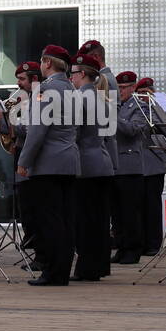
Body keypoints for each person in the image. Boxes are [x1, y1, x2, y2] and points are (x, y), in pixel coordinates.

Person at [17, 44, 79, 285]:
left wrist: (24, 162)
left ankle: (52, 272)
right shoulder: (72, 90)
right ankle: (61, 271)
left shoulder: (45, 90)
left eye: (42, 62)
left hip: (48, 163)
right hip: (69, 160)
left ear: (47, 63)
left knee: (50, 220)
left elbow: (36, 131)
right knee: (65, 220)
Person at [0, 61, 43, 270]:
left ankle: (40, 251)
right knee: (26, 206)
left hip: (33, 158)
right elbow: (10, 130)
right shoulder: (26, 99)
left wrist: (9, 122)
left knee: (35, 207)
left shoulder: (40, 98)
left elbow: (30, 129)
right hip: (22, 153)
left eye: (22, 79)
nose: (18, 84)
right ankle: (32, 245)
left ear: (34, 78)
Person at [70, 52, 116, 281]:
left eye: (74, 73)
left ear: (83, 74)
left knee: (85, 219)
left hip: (86, 164)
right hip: (103, 161)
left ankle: (87, 268)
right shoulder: (103, 98)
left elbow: (74, 133)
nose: (71, 78)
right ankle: (100, 265)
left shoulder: (80, 98)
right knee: (100, 219)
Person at [110, 71, 146, 265]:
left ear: (133, 87)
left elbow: (134, 130)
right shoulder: (118, 106)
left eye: (124, 88)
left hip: (130, 166)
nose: (121, 91)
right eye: (119, 88)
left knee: (130, 212)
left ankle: (133, 249)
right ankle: (121, 246)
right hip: (114, 165)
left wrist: (113, 116)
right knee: (117, 212)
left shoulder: (140, 106)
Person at [135, 76, 166, 255]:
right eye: (140, 93)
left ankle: (153, 243)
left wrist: (156, 100)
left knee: (152, 205)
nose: (143, 97)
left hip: (154, 161)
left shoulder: (160, 103)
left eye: (146, 93)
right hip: (139, 163)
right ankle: (142, 242)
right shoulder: (135, 107)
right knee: (139, 206)